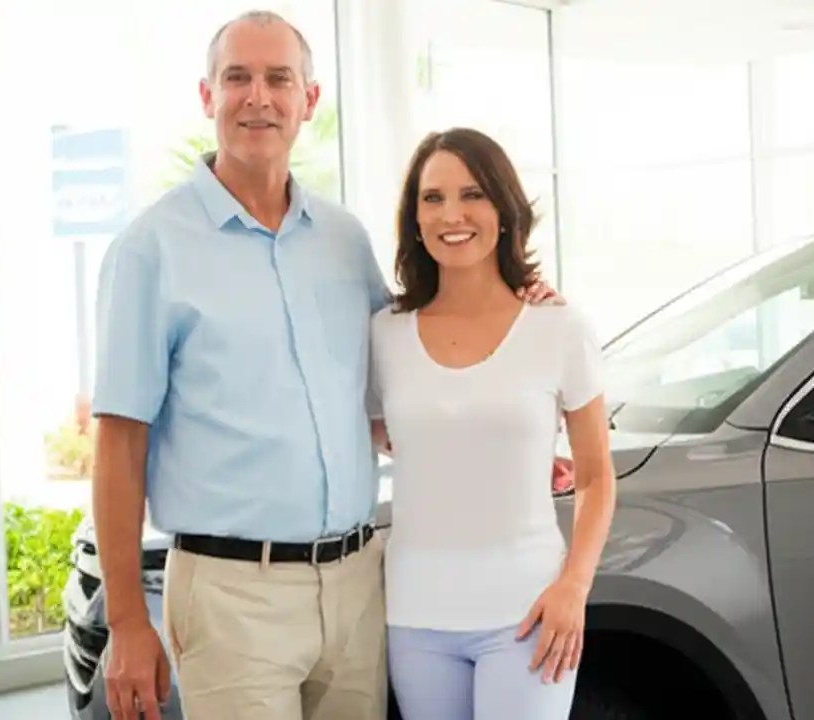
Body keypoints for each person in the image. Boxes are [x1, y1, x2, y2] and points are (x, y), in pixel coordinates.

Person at [89, 11, 557, 720]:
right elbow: (119, 443)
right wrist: (127, 620)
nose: (258, 97)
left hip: (357, 586)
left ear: (308, 99)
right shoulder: (150, 250)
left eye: (279, 78)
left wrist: (516, 321)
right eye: (237, 77)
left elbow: (403, 383)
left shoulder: (343, 240)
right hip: (231, 596)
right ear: (206, 95)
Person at [368, 127, 617, 720]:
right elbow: (388, 436)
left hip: (528, 613)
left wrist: (574, 588)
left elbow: (596, 478)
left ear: (504, 210)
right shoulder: (384, 334)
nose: (452, 214)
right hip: (415, 615)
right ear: (415, 219)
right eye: (433, 198)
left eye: (472, 194)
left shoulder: (560, 329)